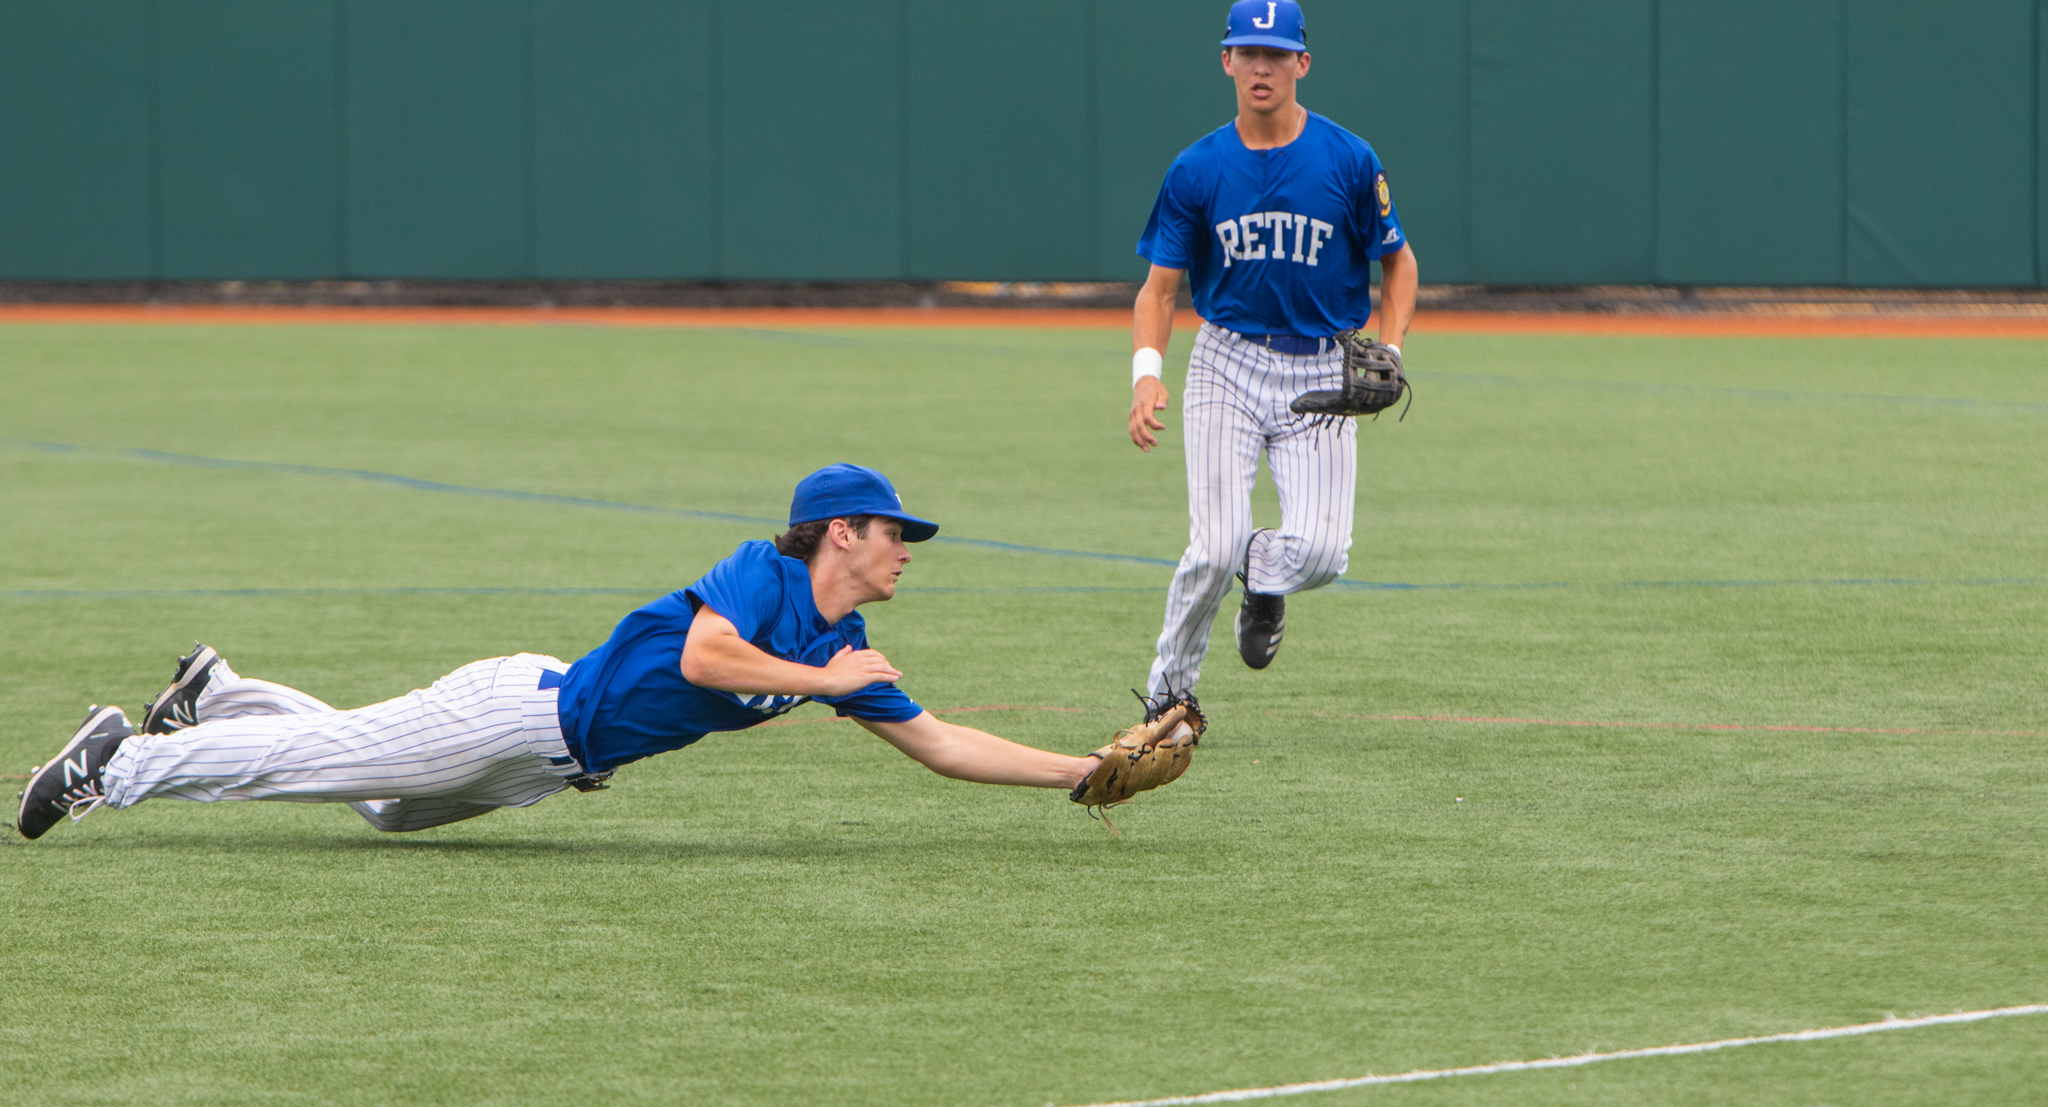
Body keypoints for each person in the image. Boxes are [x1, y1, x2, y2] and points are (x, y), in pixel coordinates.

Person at [15, 465, 1105, 841]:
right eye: (891, 533)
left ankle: (219, 695)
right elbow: (704, 661)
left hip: (545, 759)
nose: (903, 551)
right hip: (516, 714)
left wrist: (1084, 772)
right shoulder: (764, 576)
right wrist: (823, 683)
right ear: (837, 534)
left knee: (385, 807)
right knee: (317, 765)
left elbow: (942, 745)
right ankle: (113, 766)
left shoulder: (844, 639)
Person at [1126, 0, 1417, 712]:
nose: (1263, 66)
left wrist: (1392, 345)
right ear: (1226, 60)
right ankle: (1170, 696)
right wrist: (1146, 376)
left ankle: (1265, 578)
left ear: (1302, 64)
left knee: (1322, 555)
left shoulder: (1348, 159)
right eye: (1249, 53)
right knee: (1211, 548)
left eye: (1278, 54)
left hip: (1324, 371)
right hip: (1226, 362)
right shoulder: (1197, 169)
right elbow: (1159, 292)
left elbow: (1400, 265)